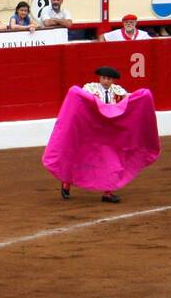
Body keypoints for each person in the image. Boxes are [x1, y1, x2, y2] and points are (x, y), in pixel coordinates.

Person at [44, 67, 159, 206]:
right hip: (90, 130)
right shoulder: (90, 89)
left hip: (108, 133)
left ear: (113, 80)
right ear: (99, 78)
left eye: (109, 79)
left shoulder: (118, 91)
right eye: (104, 78)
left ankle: (108, 192)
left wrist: (143, 95)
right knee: (79, 155)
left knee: (111, 160)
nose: (106, 81)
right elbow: (78, 98)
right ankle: (66, 182)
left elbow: (129, 101)